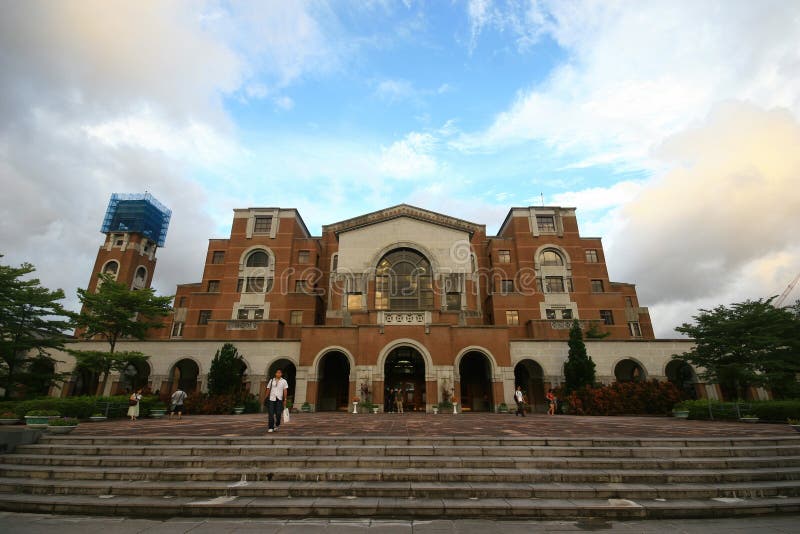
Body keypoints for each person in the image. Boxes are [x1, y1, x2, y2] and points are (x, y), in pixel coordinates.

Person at [265, 369, 289, 433]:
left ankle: (277, 424)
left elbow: (285, 390)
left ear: (281, 374)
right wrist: (266, 397)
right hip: (271, 399)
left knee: (278, 414)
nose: (278, 374)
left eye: (280, 373)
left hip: (279, 399)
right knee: (271, 414)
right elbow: (268, 388)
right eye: (277, 372)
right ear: (275, 373)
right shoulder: (271, 380)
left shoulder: (284, 381)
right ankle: (270, 427)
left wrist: (285, 399)